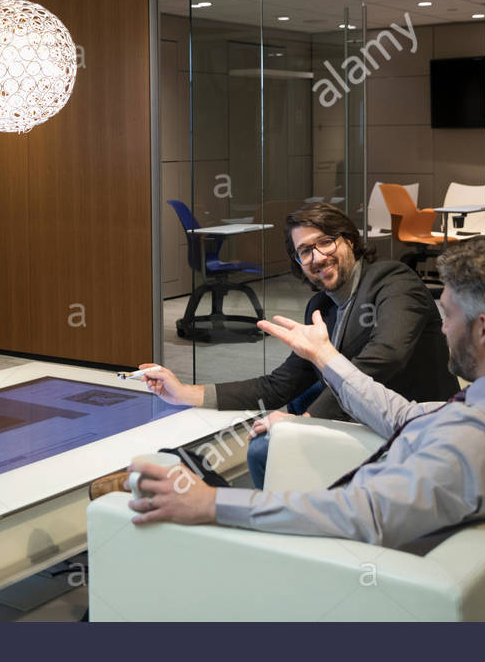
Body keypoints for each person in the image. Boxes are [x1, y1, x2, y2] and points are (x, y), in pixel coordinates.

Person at [124, 240, 485, 549]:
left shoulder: (473, 435)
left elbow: (359, 514)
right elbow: (402, 414)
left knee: (153, 498)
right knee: (181, 467)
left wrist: (212, 504)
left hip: (324, 560)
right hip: (352, 535)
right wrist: (324, 355)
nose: (444, 328)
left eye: (447, 315)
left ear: (483, 329)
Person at [139, 202, 458, 486]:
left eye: (326, 242)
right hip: (361, 420)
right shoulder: (322, 307)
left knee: (266, 448)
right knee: (300, 396)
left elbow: (386, 357)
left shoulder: (392, 280)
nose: (317, 257)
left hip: (412, 427)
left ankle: (281, 523)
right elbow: (279, 384)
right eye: (305, 251)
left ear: (349, 240)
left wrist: (303, 423)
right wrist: (184, 392)